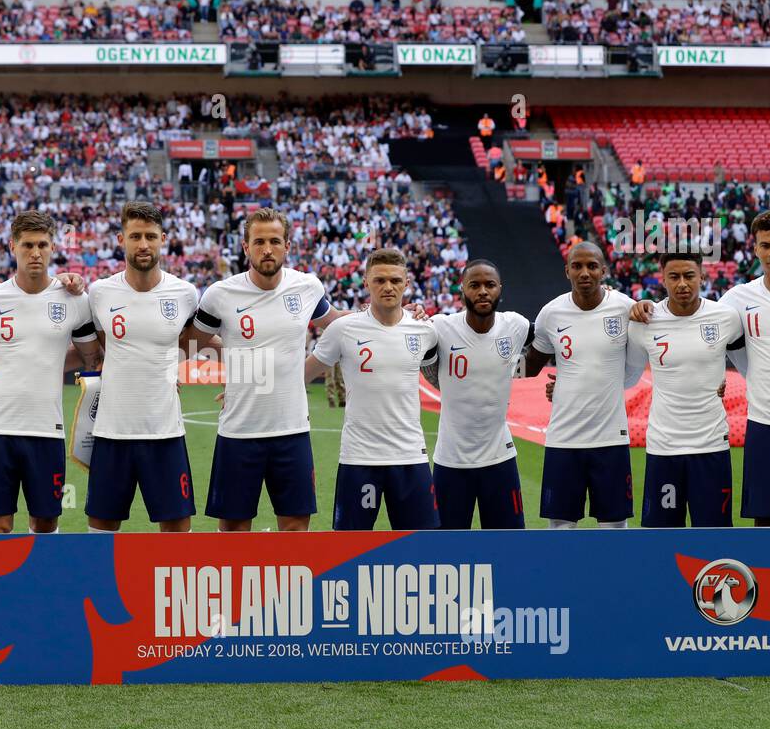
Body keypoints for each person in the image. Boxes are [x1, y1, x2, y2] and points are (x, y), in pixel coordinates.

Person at [636, 210, 770, 667]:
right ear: (753, 248)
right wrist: (641, 307)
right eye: (765, 245)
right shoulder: (738, 300)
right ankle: (768, 626)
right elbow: (717, 341)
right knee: (767, 527)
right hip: (763, 427)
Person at [181, 208, 337, 532]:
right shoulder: (220, 295)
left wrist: (389, 313)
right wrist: (242, 367)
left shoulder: (307, 287)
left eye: (275, 241)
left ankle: (289, 586)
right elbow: (190, 342)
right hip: (239, 432)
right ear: (245, 247)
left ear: (288, 246)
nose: (268, 249)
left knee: (295, 530)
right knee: (234, 533)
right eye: (260, 241)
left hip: (292, 430)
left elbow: (337, 323)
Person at [0, 212, 101, 533]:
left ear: (53, 247)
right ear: (13, 246)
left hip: (47, 430)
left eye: (42, 244)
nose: (35, 252)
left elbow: (90, 357)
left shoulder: (75, 301)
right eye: (27, 245)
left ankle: (43, 584)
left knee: (45, 520)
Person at [84, 201, 200, 533]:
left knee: (177, 530)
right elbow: (101, 344)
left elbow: (193, 340)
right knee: (101, 530)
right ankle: (100, 587)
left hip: (165, 432)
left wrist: (168, 367)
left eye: (151, 236)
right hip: (111, 432)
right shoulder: (99, 293)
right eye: (135, 236)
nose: (143, 244)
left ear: (163, 239)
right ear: (121, 240)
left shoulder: (185, 293)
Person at [305, 248, 440, 531]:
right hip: (359, 458)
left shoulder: (426, 330)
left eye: (395, 280)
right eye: (379, 280)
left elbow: (445, 378)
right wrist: (248, 391)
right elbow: (300, 376)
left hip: (410, 456)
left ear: (407, 283)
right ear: (366, 282)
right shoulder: (343, 329)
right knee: (348, 548)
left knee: (422, 548)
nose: (387, 287)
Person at [524, 242, 642, 529]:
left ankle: (613, 576)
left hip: (611, 439)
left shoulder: (626, 308)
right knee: (562, 526)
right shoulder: (551, 313)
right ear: (567, 271)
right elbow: (530, 366)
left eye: (592, 266)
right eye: (577, 266)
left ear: (604, 270)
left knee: (614, 526)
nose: (585, 272)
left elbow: (634, 370)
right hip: (564, 438)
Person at [626, 252, 743, 527]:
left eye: (689, 276)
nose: (682, 284)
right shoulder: (644, 323)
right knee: (662, 538)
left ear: (702, 276)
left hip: (712, 444)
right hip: (664, 446)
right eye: (674, 277)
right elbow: (627, 377)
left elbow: (750, 361)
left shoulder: (726, 317)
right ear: (662, 279)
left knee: (714, 536)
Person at [424, 260, 532, 529]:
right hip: (451, 460)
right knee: (446, 549)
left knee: (508, 547)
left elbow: (559, 333)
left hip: (500, 459)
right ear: (462, 290)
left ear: (500, 289)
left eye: (489, 285)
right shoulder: (440, 327)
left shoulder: (516, 325)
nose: (483, 291)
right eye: (475, 285)